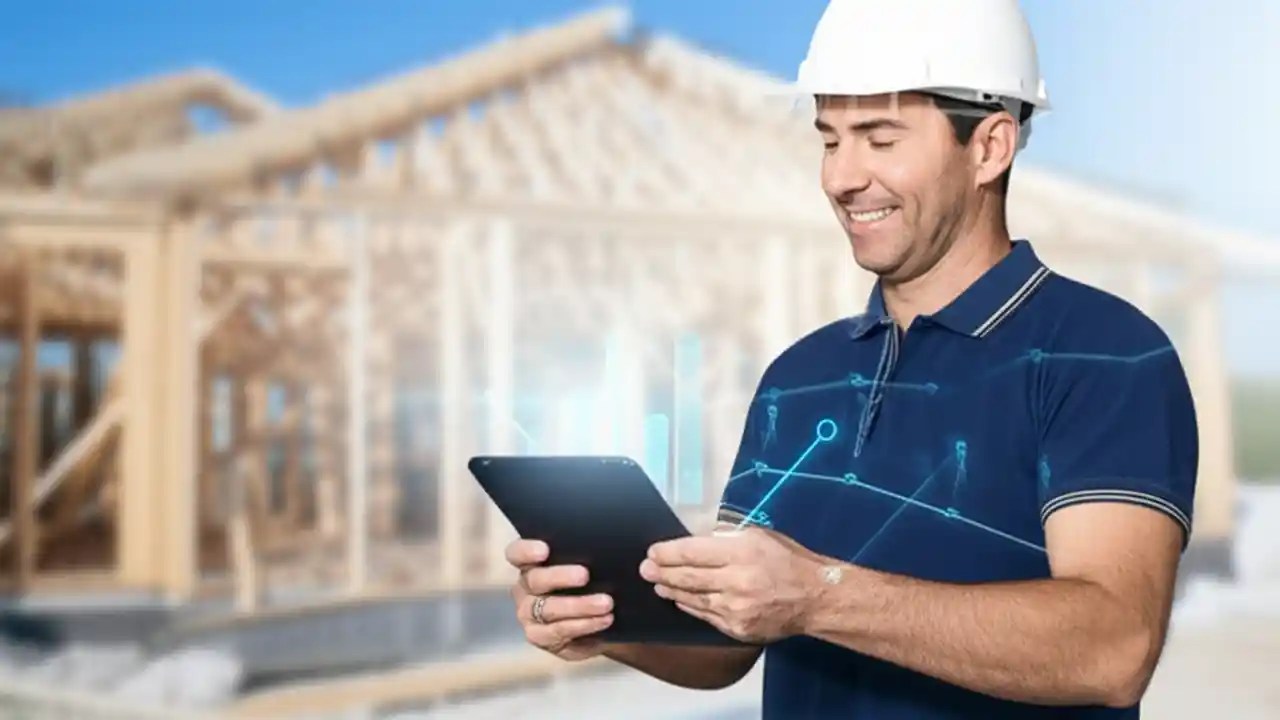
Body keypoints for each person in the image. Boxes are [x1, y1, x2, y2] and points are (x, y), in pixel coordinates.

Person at [505, 0, 1198, 716]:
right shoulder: (798, 378)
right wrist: (606, 620)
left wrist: (818, 596)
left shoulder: (1106, 355)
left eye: (880, 139)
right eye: (830, 141)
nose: (840, 178)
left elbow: (1113, 649)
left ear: (990, 147)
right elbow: (731, 642)